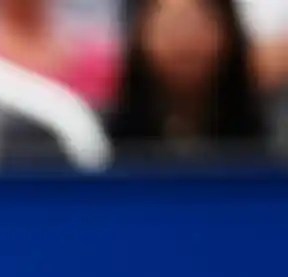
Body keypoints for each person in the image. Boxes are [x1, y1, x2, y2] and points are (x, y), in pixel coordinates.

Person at [108, 0, 269, 162]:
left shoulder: (269, 139)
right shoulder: (107, 146)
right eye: (172, 25)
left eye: (198, 22)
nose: (185, 39)